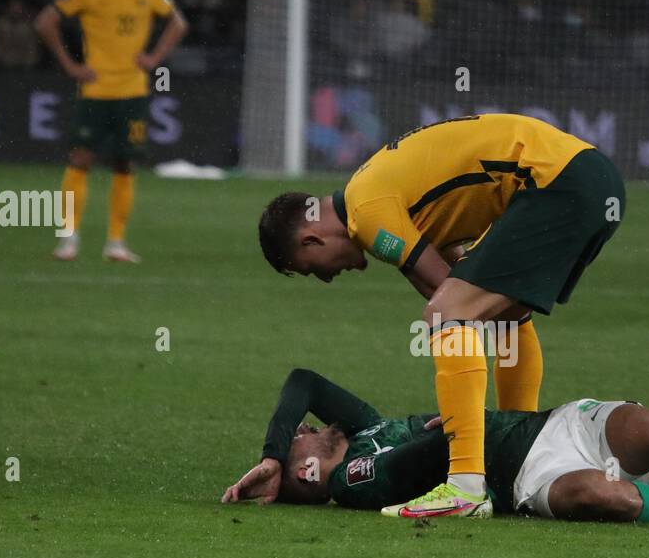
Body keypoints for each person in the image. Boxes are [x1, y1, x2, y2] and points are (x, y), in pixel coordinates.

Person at [257, 114, 624, 519]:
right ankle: (518, 443)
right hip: (589, 176)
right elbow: (466, 291)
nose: (327, 278)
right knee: (505, 313)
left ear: (312, 238)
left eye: (313, 268)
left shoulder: (367, 211)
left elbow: (446, 296)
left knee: (447, 314)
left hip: (553, 182)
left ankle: (465, 484)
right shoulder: (378, 195)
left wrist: (459, 421)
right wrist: (459, 415)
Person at [222, 368, 649, 526]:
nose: (303, 421)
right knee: (611, 500)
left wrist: (271, 450)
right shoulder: (350, 480)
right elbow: (445, 455)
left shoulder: (363, 432)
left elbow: (302, 379)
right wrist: (459, 428)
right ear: (309, 468)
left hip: (559, 425)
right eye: (298, 434)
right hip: (527, 482)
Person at [34, 0, 187, 264]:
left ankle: (115, 243)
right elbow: (45, 21)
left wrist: (154, 58)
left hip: (132, 91)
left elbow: (178, 22)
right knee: (80, 160)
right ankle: (68, 238)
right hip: (96, 90)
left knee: (124, 164)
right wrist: (70, 66)